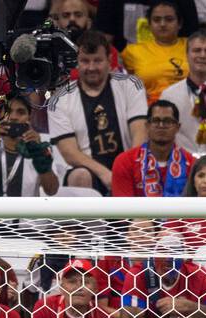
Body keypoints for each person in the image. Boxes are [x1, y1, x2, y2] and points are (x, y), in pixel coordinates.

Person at [49, 30, 148, 195]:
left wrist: (126, 169)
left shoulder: (131, 84)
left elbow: (140, 132)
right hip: (89, 171)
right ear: (76, 62)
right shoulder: (59, 99)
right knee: (80, 176)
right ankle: (85, 222)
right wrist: (106, 174)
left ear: (109, 60)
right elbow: (69, 152)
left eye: (97, 61)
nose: (91, 67)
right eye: (85, 61)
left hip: (128, 164)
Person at [0, 94, 60, 197]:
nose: (13, 117)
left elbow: (51, 190)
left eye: (21, 112)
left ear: (29, 118)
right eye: (8, 111)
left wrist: (39, 155)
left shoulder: (38, 150)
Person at [111, 99, 194, 197]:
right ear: (147, 126)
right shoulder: (125, 162)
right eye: (156, 120)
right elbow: (123, 209)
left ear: (177, 127)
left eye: (167, 121)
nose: (161, 125)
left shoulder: (192, 164)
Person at [122, 0, 190, 104]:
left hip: (190, 107)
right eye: (156, 20)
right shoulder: (132, 51)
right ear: (149, 24)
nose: (162, 24)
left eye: (169, 19)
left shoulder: (193, 46)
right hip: (148, 111)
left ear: (179, 24)